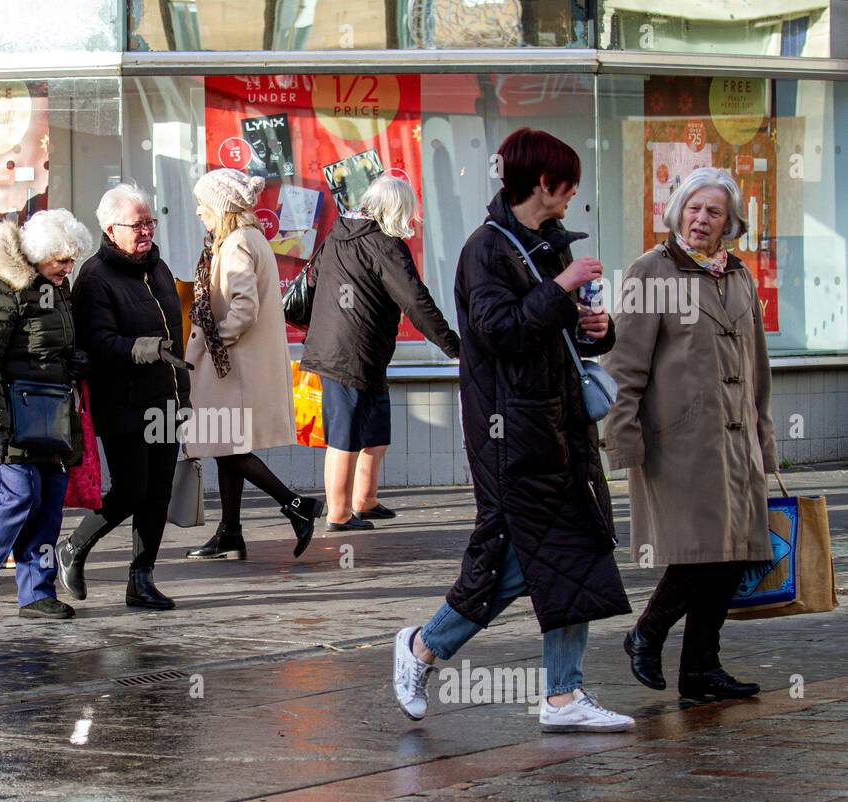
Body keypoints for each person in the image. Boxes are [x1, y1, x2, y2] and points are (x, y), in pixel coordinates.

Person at [391, 128, 635, 732]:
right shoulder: (486, 250)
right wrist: (562, 289)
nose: (574, 193)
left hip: (558, 425)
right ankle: (424, 647)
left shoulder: (548, 245)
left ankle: (563, 696)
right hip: (509, 433)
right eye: (567, 182)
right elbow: (499, 332)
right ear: (542, 184)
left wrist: (596, 328)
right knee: (517, 559)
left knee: (572, 549)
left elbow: (556, 336)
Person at [602, 167, 773, 700]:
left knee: (736, 550)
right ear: (678, 210)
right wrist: (622, 437)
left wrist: (765, 439)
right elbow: (624, 365)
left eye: (714, 212)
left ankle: (701, 668)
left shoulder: (740, 277)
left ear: (729, 222)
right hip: (676, 441)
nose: (702, 219)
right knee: (698, 549)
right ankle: (646, 633)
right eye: (694, 208)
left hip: (737, 442)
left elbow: (758, 366)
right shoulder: (650, 272)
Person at [300, 175, 460, 531]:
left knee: (375, 432)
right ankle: (339, 515)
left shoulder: (338, 232)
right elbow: (415, 300)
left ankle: (364, 500)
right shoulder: (383, 244)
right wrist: (452, 345)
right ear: (397, 211)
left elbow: (313, 282)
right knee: (345, 437)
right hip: (347, 354)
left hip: (357, 350)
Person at [56, 184, 191, 609]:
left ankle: (141, 578)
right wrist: (145, 349)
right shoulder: (94, 277)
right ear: (111, 229)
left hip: (166, 399)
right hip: (124, 401)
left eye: (151, 221)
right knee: (132, 491)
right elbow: (98, 344)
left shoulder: (159, 267)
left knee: (158, 493)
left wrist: (182, 396)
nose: (148, 230)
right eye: (139, 224)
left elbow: (175, 339)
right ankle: (72, 546)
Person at [0, 209, 94, 619]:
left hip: (48, 415)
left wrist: (73, 361)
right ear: (37, 254)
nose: (67, 269)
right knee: (19, 494)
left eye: (72, 261)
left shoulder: (56, 288)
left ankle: (36, 591)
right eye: (61, 260)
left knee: (49, 502)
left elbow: (50, 345)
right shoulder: (0, 286)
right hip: (6, 415)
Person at [184, 169, 324, 561]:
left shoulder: (236, 244)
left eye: (203, 204)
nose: (198, 212)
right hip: (238, 368)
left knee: (230, 448)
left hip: (234, 368)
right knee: (229, 446)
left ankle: (297, 505)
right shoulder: (244, 239)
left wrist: (215, 340)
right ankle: (230, 531)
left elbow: (243, 308)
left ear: (220, 208)